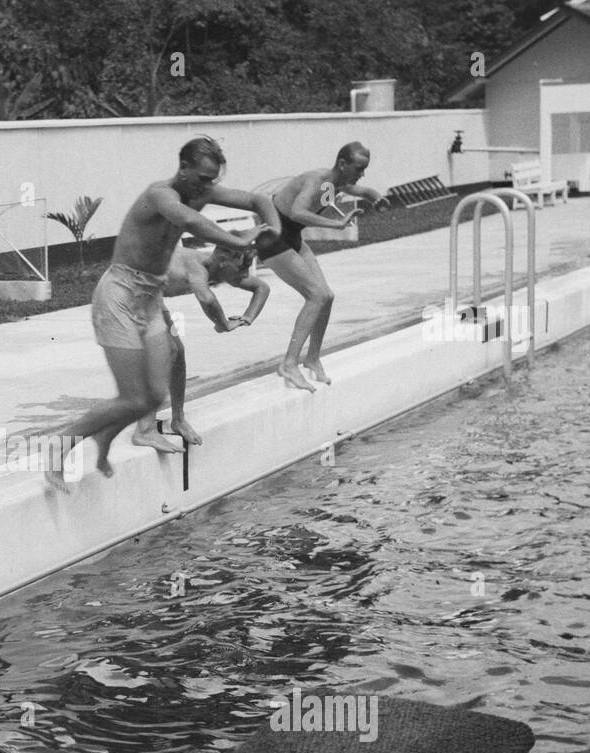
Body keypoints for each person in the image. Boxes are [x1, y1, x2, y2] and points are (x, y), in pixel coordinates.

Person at [43, 137, 278, 491]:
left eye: (212, 180)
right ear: (182, 168)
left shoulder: (202, 191)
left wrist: (272, 227)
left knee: (153, 395)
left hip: (151, 298)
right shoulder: (160, 195)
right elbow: (191, 221)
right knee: (133, 396)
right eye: (201, 178)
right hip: (119, 295)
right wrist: (240, 243)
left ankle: (105, 439)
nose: (207, 186)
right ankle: (61, 446)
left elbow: (260, 199)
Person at [253, 142, 388, 391]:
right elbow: (297, 211)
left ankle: (312, 358)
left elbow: (364, 189)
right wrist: (336, 224)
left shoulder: (339, 183)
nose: (362, 173)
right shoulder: (317, 180)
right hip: (274, 235)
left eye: (365, 168)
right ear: (343, 163)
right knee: (317, 295)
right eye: (359, 168)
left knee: (327, 296)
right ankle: (289, 364)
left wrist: (377, 198)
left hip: (291, 235)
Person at [132, 233, 270, 451]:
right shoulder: (198, 266)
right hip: (132, 290)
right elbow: (207, 299)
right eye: (241, 270)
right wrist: (223, 324)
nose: (242, 276)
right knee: (165, 352)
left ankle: (178, 419)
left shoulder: (225, 267)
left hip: (152, 293)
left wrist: (247, 318)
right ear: (224, 259)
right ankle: (144, 430)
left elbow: (262, 288)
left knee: (178, 352)